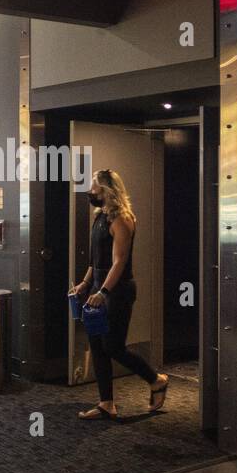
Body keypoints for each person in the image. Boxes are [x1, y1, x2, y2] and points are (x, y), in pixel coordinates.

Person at [69, 169, 168, 419]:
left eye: (94, 187)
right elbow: (96, 260)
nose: (90, 191)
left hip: (117, 291)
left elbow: (119, 261)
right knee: (97, 346)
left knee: (113, 346)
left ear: (107, 191)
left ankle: (156, 380)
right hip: (98, 289)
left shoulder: (122, 219)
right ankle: (106, 403)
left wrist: (103, 291)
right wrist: (85, 283)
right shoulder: (100, 216)